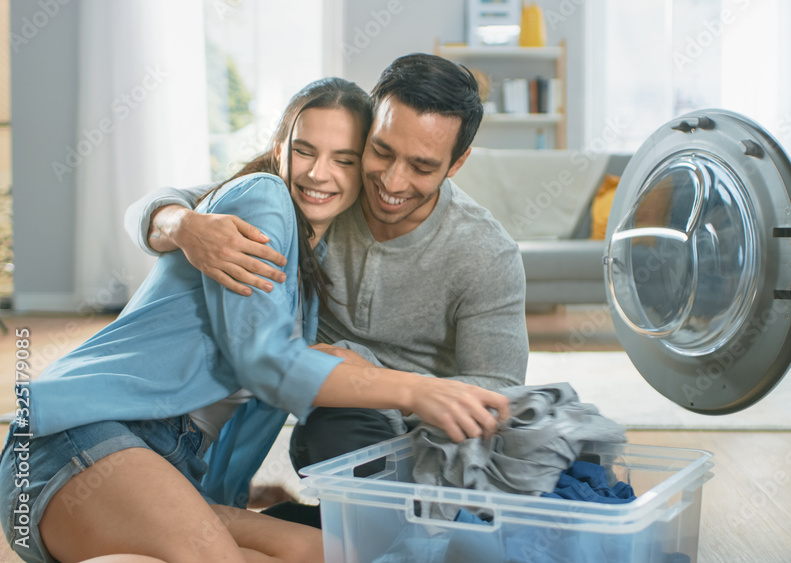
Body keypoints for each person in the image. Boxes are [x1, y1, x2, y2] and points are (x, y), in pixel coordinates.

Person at [0, 77, 509, 563]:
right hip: (81, 437)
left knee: (322, 554)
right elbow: (267, 362)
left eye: (344, 159)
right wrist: (415, 390)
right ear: (279, 145)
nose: (318, 173)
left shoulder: (314, 255)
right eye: (305, 150)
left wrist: (227, 494)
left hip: (166, 463)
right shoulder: (264, 198)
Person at [127, 54, 531, 521]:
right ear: (368, 131)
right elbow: (157, 205)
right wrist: (182, 226)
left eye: (422, 166)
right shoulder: (325, 194)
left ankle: (319, 527)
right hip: (342, 418)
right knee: (336, 441)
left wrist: (385, 379)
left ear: (457, 162)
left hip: (428, 433)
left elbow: (499, 392)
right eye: (381, 152)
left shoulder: (485, 252)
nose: (392, 182)